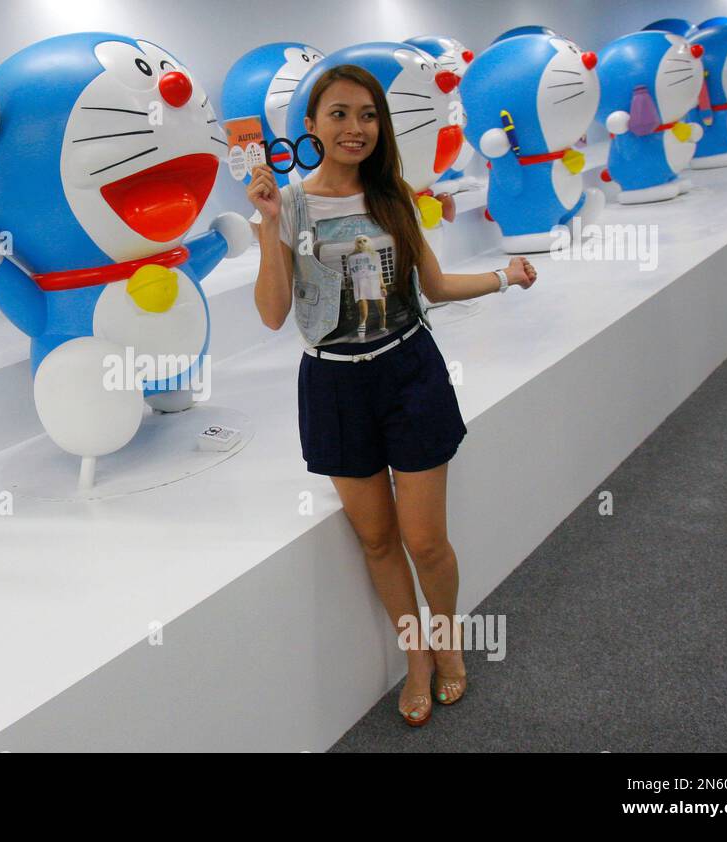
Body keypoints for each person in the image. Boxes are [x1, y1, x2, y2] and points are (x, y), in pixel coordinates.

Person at [246, 64, 537, 726]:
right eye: (340, 114)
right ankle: (417, 659)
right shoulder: (288, 205)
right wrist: (267, 226)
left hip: (409, 371)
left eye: (368, 115)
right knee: (377, 541)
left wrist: (503, 276)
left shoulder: (392, 197)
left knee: (424, 539)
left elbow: (432, 288)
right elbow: (270, 313)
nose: (356, 128)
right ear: (312, 126)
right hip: (333, 384)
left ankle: (448, 643)